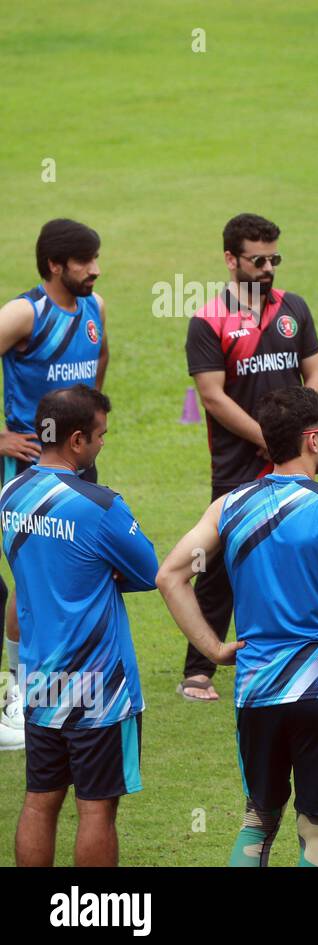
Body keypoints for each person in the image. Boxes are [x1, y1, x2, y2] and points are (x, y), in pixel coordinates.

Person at [156, 387, 318, 867]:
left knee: (258, 819)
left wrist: (213, 648)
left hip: (257, 693)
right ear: (311, 440)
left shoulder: (229, 507)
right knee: (317, 828)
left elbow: (170, 576)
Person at [179, 213, 318, 702]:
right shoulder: (208, 321)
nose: (267, 268)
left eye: (274, 259)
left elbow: (316, 371)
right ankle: (199, 668)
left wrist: (300, 428)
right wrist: (268, 434)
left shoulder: (294, 309)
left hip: (293, 456)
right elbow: (213, 397)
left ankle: (304, 649)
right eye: (257, 259)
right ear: (230, 259)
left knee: (301, 550)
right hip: (238, 462)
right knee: (218, 561)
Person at [6, 385, 156, 866]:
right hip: (100, 684)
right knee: (96, 810)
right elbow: (151, 570)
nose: (102, 444)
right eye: (99, 436)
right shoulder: (99, 505)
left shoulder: (9, 495)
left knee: (40, 799)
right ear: (75, 441)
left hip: (39, 678)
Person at [0, 220, 110, 751]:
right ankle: (17, 697)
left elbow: (99, 359)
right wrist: (0, 436)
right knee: (29, 578)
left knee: (69, 574)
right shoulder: (24, 314)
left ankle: (53, 686)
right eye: (85, 261)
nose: (95, 269)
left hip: (77, 469)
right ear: (53, 266)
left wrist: (90, 429)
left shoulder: (95, 309)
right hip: (27, 471)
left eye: (95, 258)